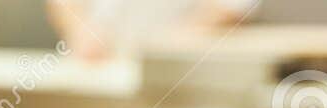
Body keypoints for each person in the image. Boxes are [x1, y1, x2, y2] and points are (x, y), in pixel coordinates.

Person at [47, 0, 257, 62]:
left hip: (178, 72)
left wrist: (173, 41)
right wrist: (80, 28)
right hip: (96, 70)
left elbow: (233, 7)